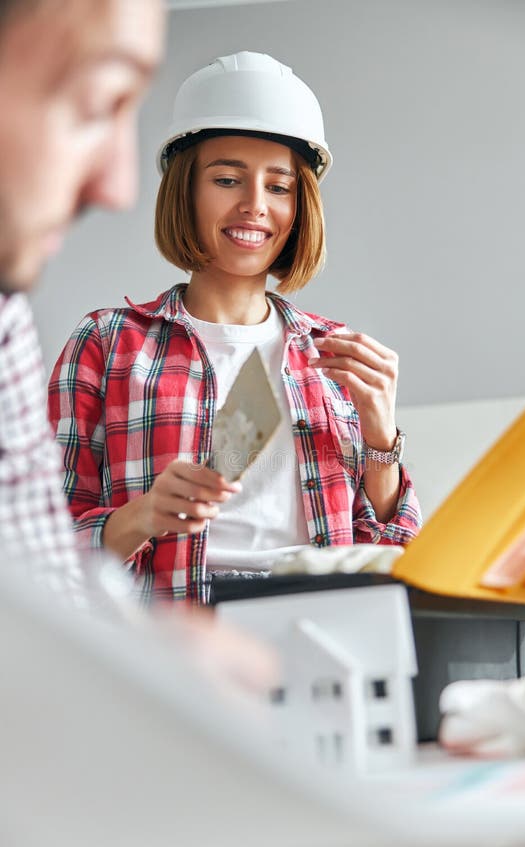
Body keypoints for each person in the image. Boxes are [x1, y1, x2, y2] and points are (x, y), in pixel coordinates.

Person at [48, 51, 422, 604]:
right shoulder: (107, 343)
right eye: (227, 179)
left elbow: (391, 549)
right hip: (170, 641)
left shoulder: (334, 355)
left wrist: (381, 441)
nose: (254, 206)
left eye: (279, 187)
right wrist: (145, 515)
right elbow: (41, 550)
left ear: (301, 207)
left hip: (318, 631)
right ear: (184, 191)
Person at [0, 0, 164, 577]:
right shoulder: (105, 339)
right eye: (100, 101)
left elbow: (38, 570)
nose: (118, 188)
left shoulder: (5, 321)